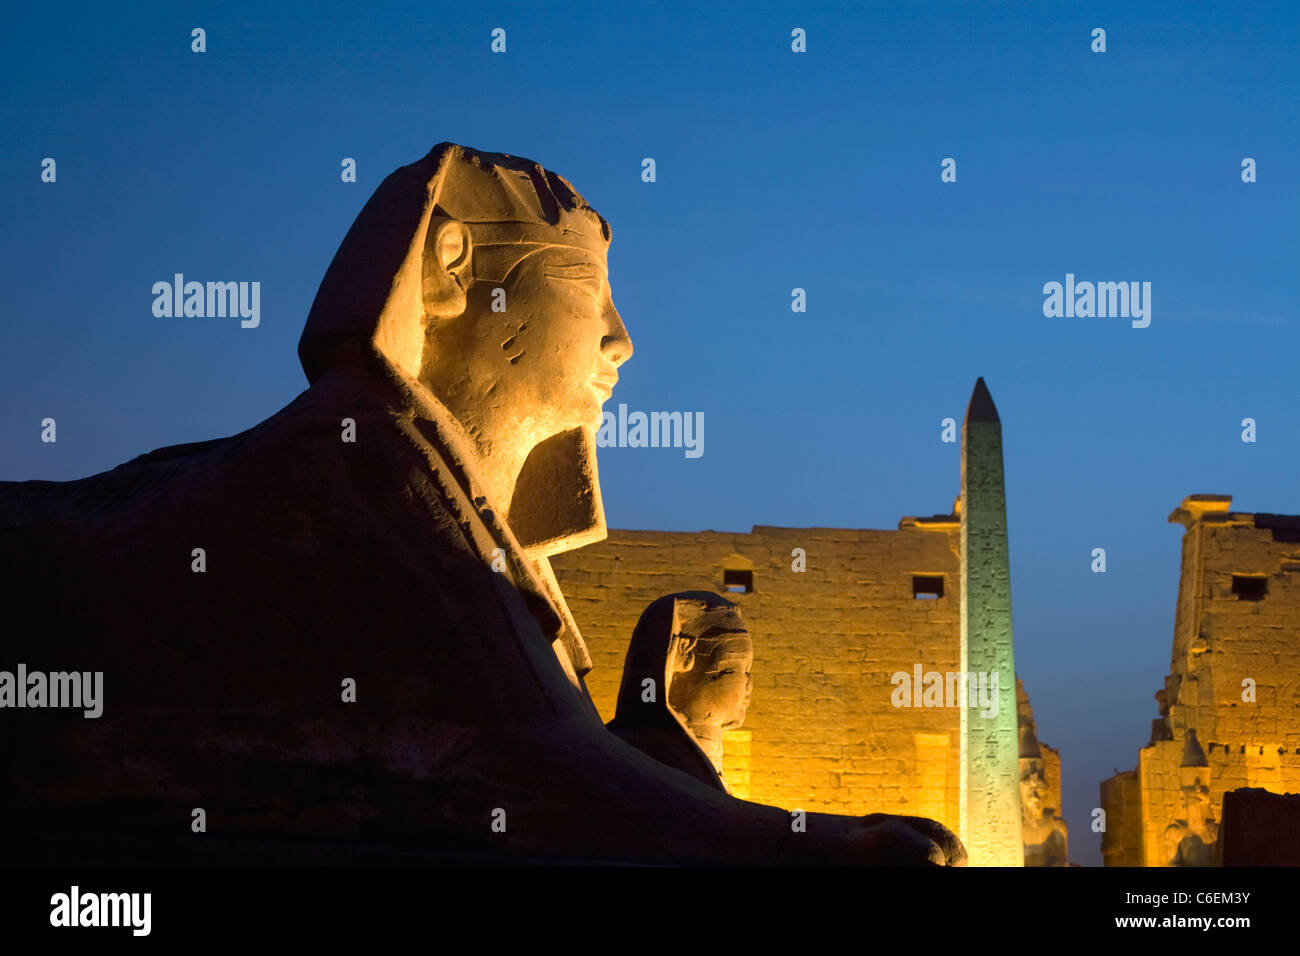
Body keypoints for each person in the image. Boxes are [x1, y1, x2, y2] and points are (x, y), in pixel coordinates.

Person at [0, 143, 964, 865]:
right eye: (587, 288)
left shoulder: (451, 507)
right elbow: (539, 774)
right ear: (457, 268)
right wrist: (828, 845)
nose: (622, 341)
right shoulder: (354, 468)